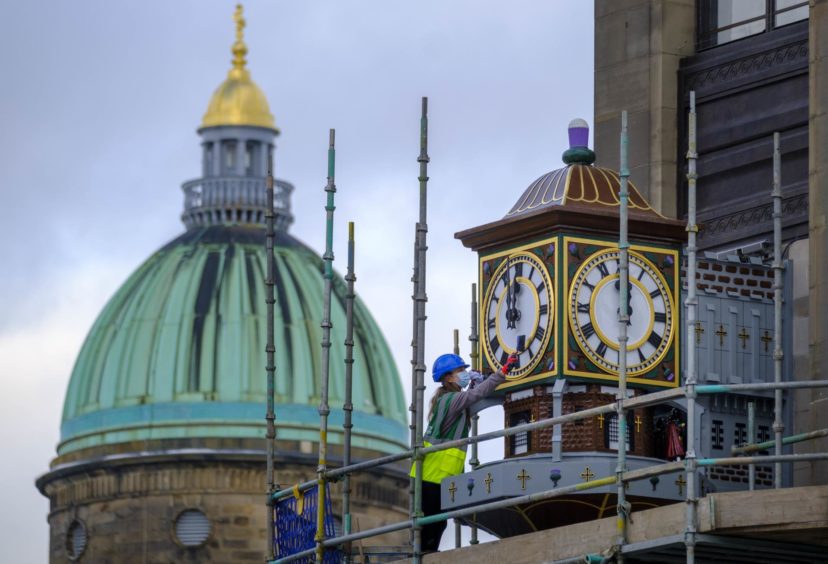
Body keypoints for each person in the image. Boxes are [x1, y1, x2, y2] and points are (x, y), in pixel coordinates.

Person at [411, 352, 519, 552]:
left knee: (436, 522)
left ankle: (426, 554)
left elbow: (470, 398)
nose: (465, 373)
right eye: (460, 370)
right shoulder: (452, 400)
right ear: (448, 377)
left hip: (433, 474)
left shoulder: (445, 399)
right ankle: (425, 555)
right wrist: (501, 372)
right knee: (433, 523)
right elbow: (474, 396)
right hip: (434, 474)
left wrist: (475, 384)